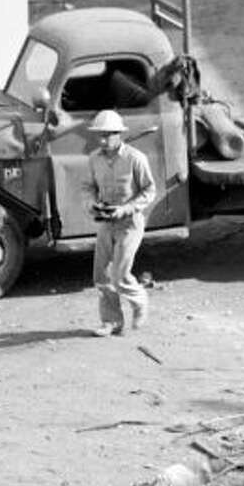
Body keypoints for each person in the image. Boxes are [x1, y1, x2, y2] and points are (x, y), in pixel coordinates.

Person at [79, 108, 156, 337]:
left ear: (118, 134)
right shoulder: (94, 159)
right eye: (99, 136)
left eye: (107, 135)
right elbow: (87, 188)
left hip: (129, 224)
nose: (102, 140)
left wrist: (125, 209)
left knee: (120, 276)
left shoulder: (135, 159)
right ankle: (112, 321)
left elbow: (149, 190)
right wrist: (92, 204)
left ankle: (140, 301)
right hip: (106, 223)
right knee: (101, 276)